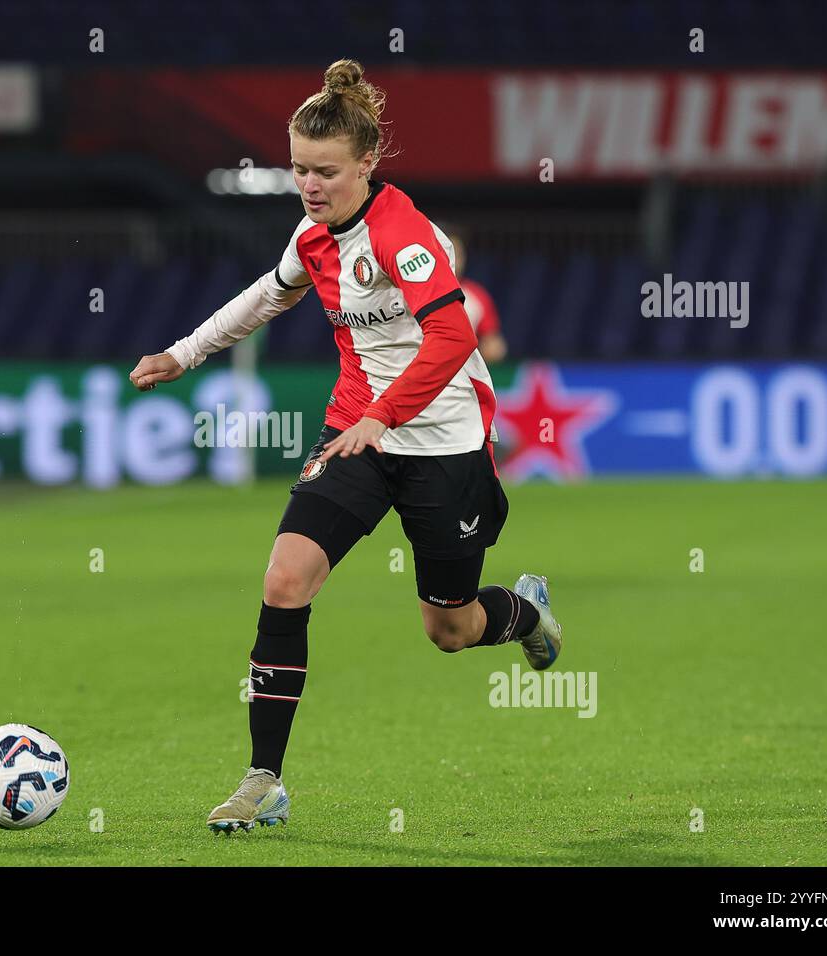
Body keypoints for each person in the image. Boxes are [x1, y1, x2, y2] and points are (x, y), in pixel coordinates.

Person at [128, 59, 563, 835]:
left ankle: (525, 615)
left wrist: (387, 417)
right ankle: (264, 779)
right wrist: (184, 352)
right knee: (286, 579)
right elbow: (270, 293)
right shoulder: (313, 235)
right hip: (357, 435)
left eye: (325, 171)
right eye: (298, 168)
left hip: (444, 446)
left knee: (450, 629)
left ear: (367, 163)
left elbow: (451, 334)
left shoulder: (405, 233)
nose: (309, 184)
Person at [443, 228, 508, 365]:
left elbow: (493, 343)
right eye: (447, 253)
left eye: (458, 254)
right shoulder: (409, 293)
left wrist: (492, 348)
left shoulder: (476, 296)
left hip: (461, 378)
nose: (454, 260)